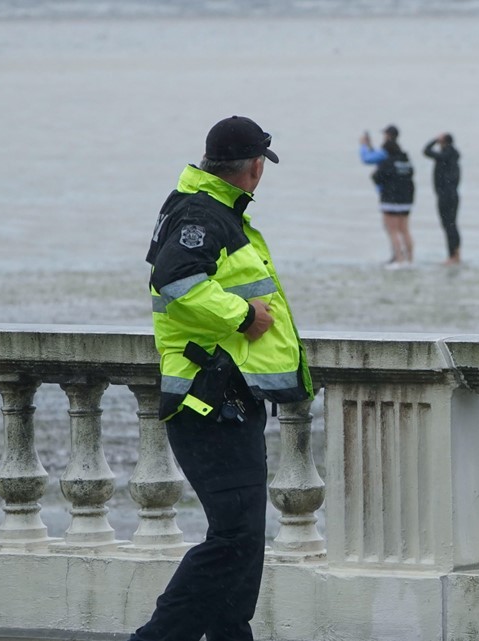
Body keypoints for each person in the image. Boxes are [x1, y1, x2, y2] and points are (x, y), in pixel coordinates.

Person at [135, 115, 313, 641]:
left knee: (242, 541)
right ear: (256, 168)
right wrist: (241, 315)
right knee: (234, 538)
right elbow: (175, 279)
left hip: (226, 397)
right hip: (208, 399)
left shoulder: (210, 208)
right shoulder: (202, 213)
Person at [360, 124, 415, 268]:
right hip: (406, 197)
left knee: (392, 230)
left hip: (390, 198)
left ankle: (398, 259)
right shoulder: (403, 156)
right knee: (404, 229)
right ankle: (409, 259)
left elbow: (369, 162)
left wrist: (363, 146)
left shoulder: (385, 154)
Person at [422, 132, 462, 265]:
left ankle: (452, 256)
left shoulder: (445, 155)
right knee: (452, 225)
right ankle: (456, 254)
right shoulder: (453, 155)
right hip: (453, 194)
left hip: (445, 194)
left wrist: (434, 139)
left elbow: (426, 151)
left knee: (448, 225)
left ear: (443, 141)